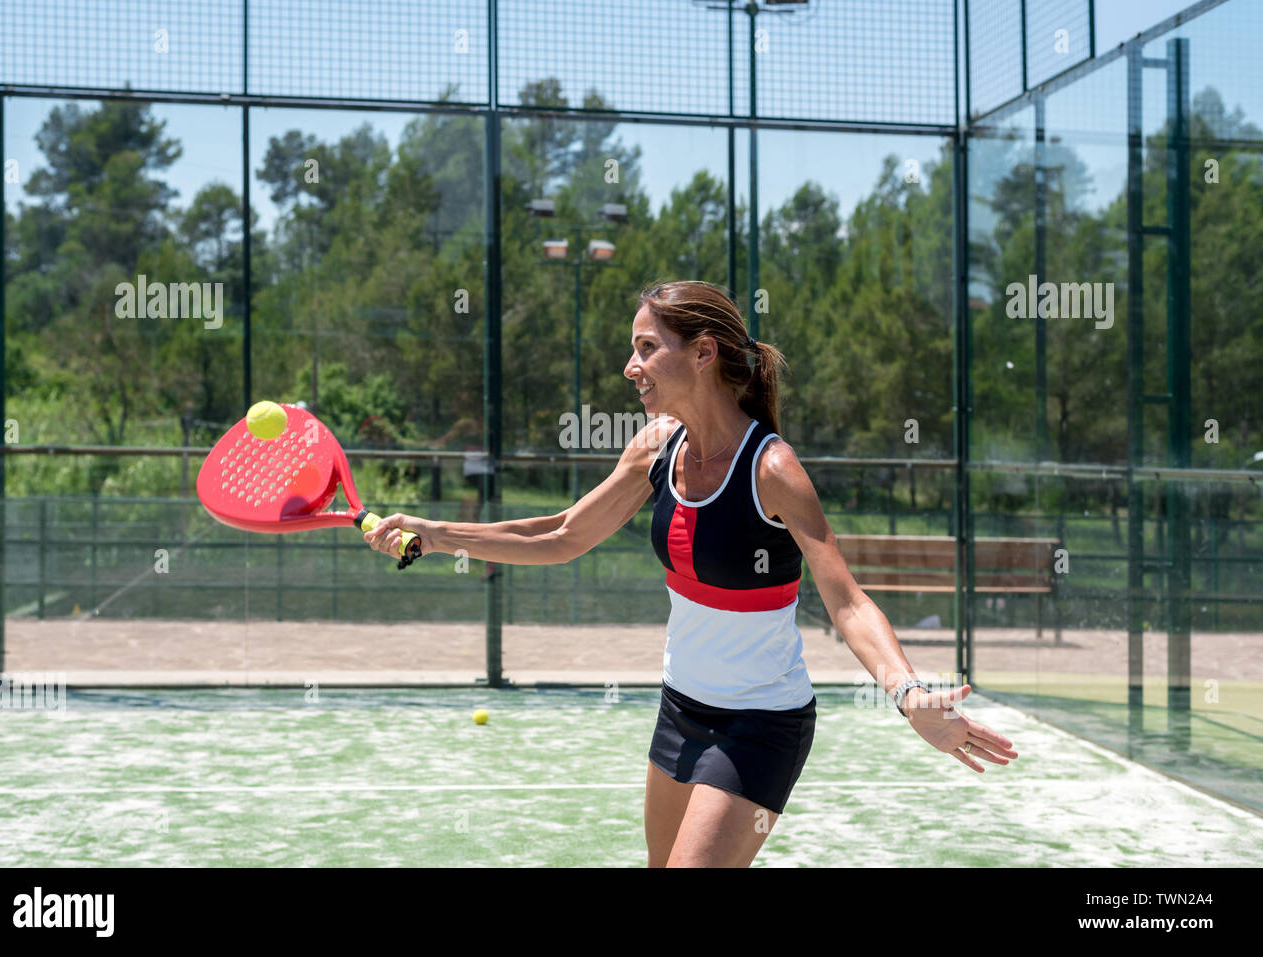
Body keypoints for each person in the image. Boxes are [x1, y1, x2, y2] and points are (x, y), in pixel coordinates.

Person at [365, 279, 1019, 867]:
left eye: (647, 348)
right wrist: (435, 532)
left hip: (761, 726)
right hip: (681, 711)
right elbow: (564, 534)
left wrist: (908, 695)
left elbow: (846, 601)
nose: (631, 367)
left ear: (703, 353)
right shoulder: (656, 445)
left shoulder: (773, 469)